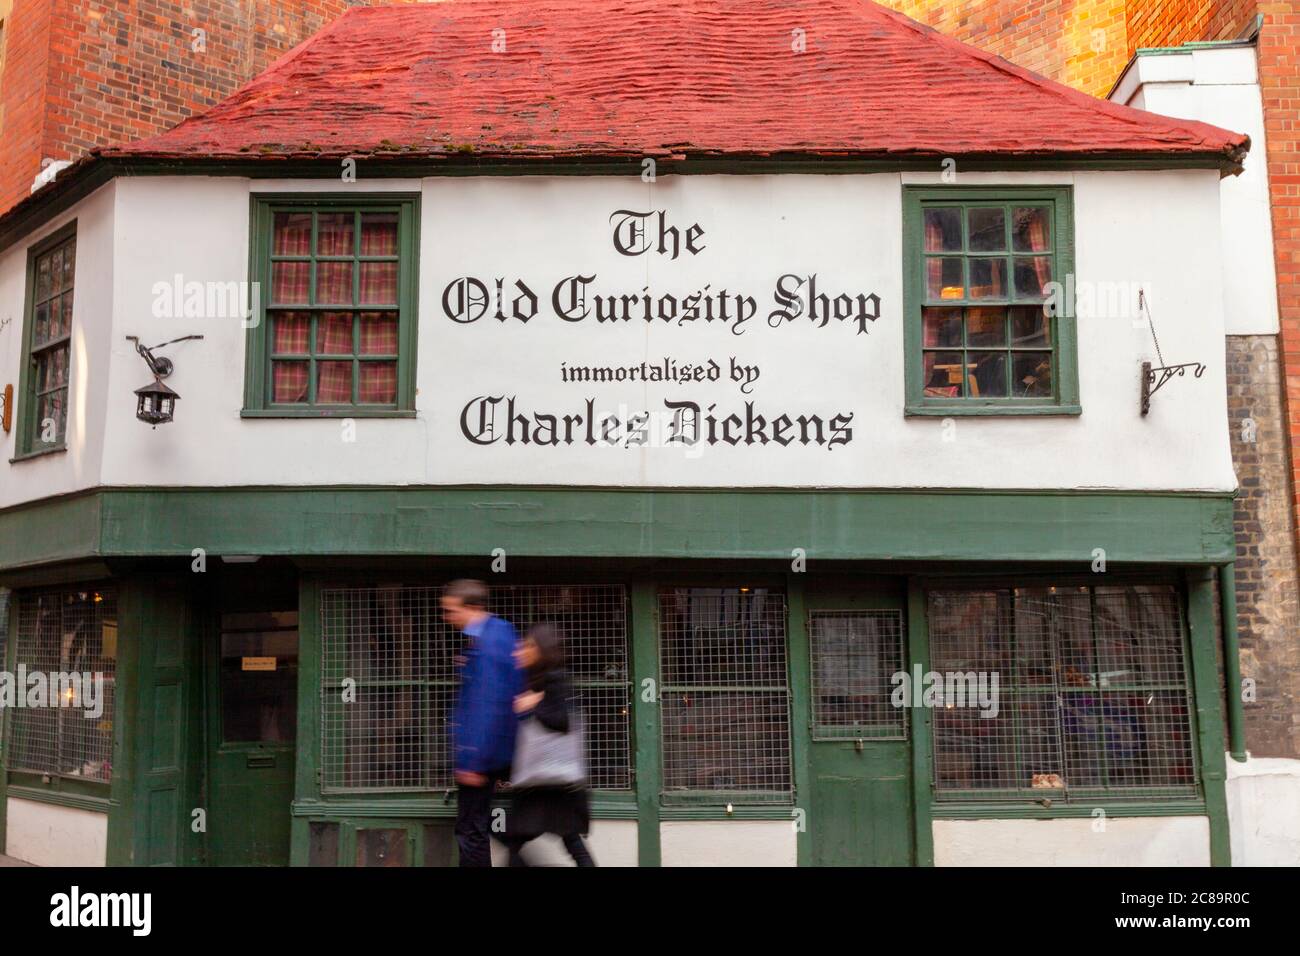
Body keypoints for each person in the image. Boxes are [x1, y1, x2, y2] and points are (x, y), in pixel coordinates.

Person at [442, 579, 522, 867]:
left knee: (470, 829)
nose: (447, 617)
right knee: (481, 825)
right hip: (499, 751)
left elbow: (486, 704)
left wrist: (471, 760)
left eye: (451, 611)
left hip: (483, 755)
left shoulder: (487, 643)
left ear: (473, 607)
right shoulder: (502, 631)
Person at [504, 623, 595, 867]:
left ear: (540, 650)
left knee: (514, 841)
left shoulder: (554, 679)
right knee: (570, 841)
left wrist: (535, 704)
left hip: (548, 783)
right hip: (547, 781)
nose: (520, 650)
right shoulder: (537, 679)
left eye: (527, 645)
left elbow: (561, 722)